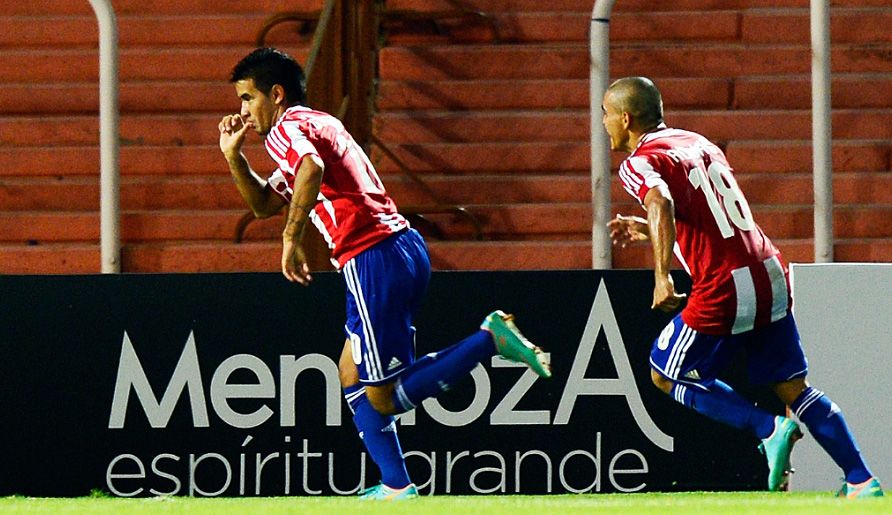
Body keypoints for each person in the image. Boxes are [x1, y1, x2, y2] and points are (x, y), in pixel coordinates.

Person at [217, 47, 551, 500]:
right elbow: (263, 204)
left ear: (275, 95)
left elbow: (311, 171)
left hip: (371, 256)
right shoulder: (319, 125)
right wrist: (233, 156)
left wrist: (291, 238)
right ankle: (397, 484)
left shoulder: (287, 129)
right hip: (401, 248)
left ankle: (490, 338)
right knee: (350, 371)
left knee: (384, 396)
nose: (243, 111)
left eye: (247, 98)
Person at [603, 76, 882, 498]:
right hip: (768, 269)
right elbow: (711, 214)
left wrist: (661, 274)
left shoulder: (638, 162)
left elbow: (661, 201)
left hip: (723, 283)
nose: (603, 122)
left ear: (625, 118)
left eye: (606, 114)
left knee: (664, 374)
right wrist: (652, 231)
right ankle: (862, 480)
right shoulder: (697, 142)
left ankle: (768, 428)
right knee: (792, 387)